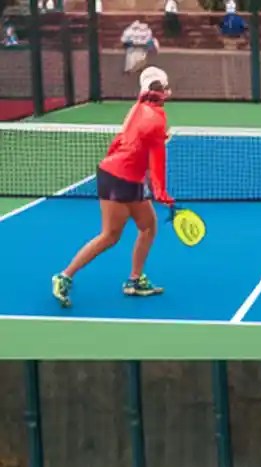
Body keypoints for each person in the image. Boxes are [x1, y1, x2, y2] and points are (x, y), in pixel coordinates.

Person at [53, 66, 174, 309]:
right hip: (119, 177)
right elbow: (157, 160)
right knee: (110, 235)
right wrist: (162, 193)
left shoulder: (138, 108)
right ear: (160, 91)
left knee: (148, 226)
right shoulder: (157, 118)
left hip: (126, 176)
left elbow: (123, 142)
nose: (162, 92)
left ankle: (135, 280)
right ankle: (64, 276)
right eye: (160, 88)